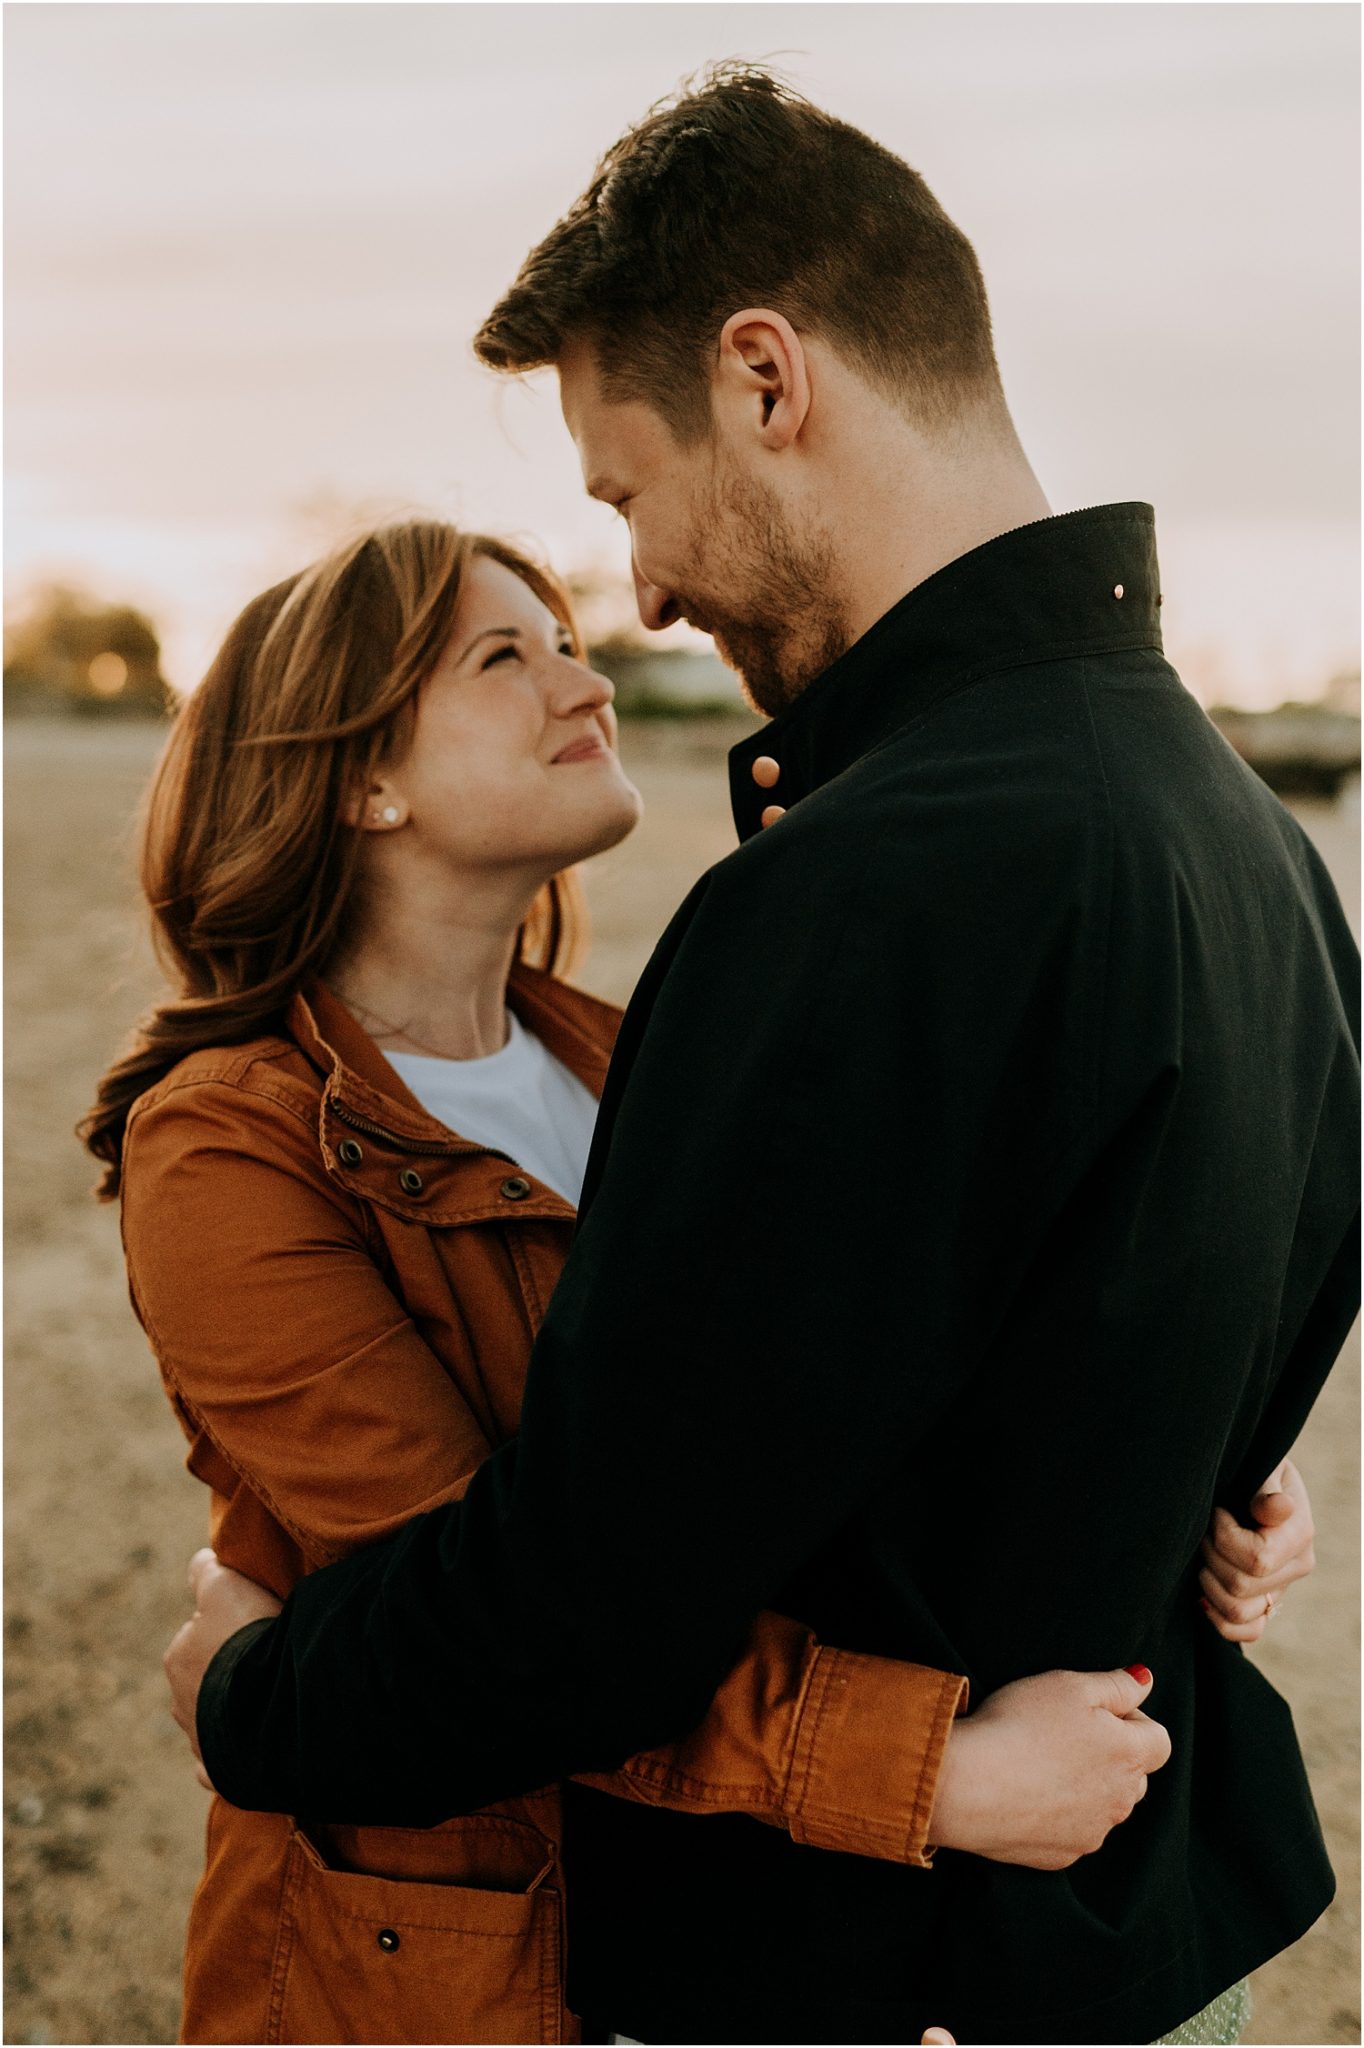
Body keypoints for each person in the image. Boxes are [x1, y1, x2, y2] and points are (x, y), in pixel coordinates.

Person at [162, 66, 1358, 2048]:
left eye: (625, 494)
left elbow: (588, 1599)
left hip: (874, 1979)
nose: (636, 598)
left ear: (765, 377)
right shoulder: (1249, 841)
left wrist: (248, 1696)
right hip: (1110, 1957)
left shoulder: (863, 898)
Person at [87, 520, 1181, 2045]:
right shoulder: (229, 1142)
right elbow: (491, 1624)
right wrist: (929, 1778)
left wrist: (1218, 1480)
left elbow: (872, 1397)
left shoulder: (644, 1059)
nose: (585, 681)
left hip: (741, 1921)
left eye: (572, 640)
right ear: (361, 778)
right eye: (503, 656)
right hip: (464, 1950)